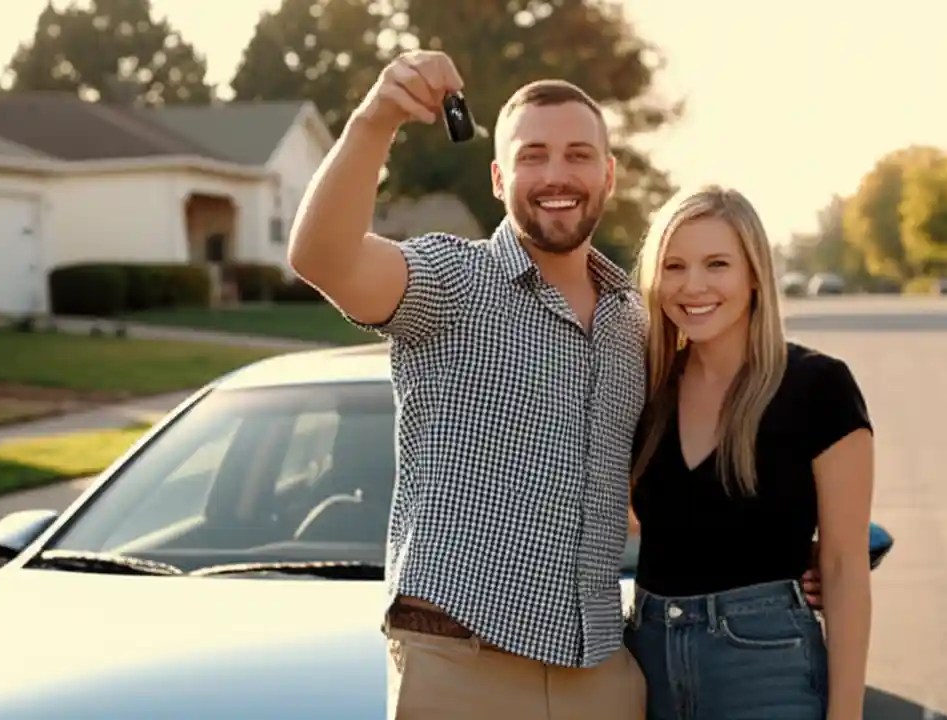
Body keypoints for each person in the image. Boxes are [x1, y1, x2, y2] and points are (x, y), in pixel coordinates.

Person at [287, 50, 648, 719]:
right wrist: (376, 120)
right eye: (533, 155)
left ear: (609, 173)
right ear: (497, 176)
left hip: (602, 670)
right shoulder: (453, 282)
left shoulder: (635, 323)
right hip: (461, 664)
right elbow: (322, 257)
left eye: (577, 154)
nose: (556, 175)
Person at [623, 184, 876, 720]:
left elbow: (844, 564)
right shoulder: (643, 389)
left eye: (717, 264)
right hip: (645, 663)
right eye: (674, 267)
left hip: (765, 667)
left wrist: (847, 714)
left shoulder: (819, 388)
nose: (694, 286)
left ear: (754, 274)